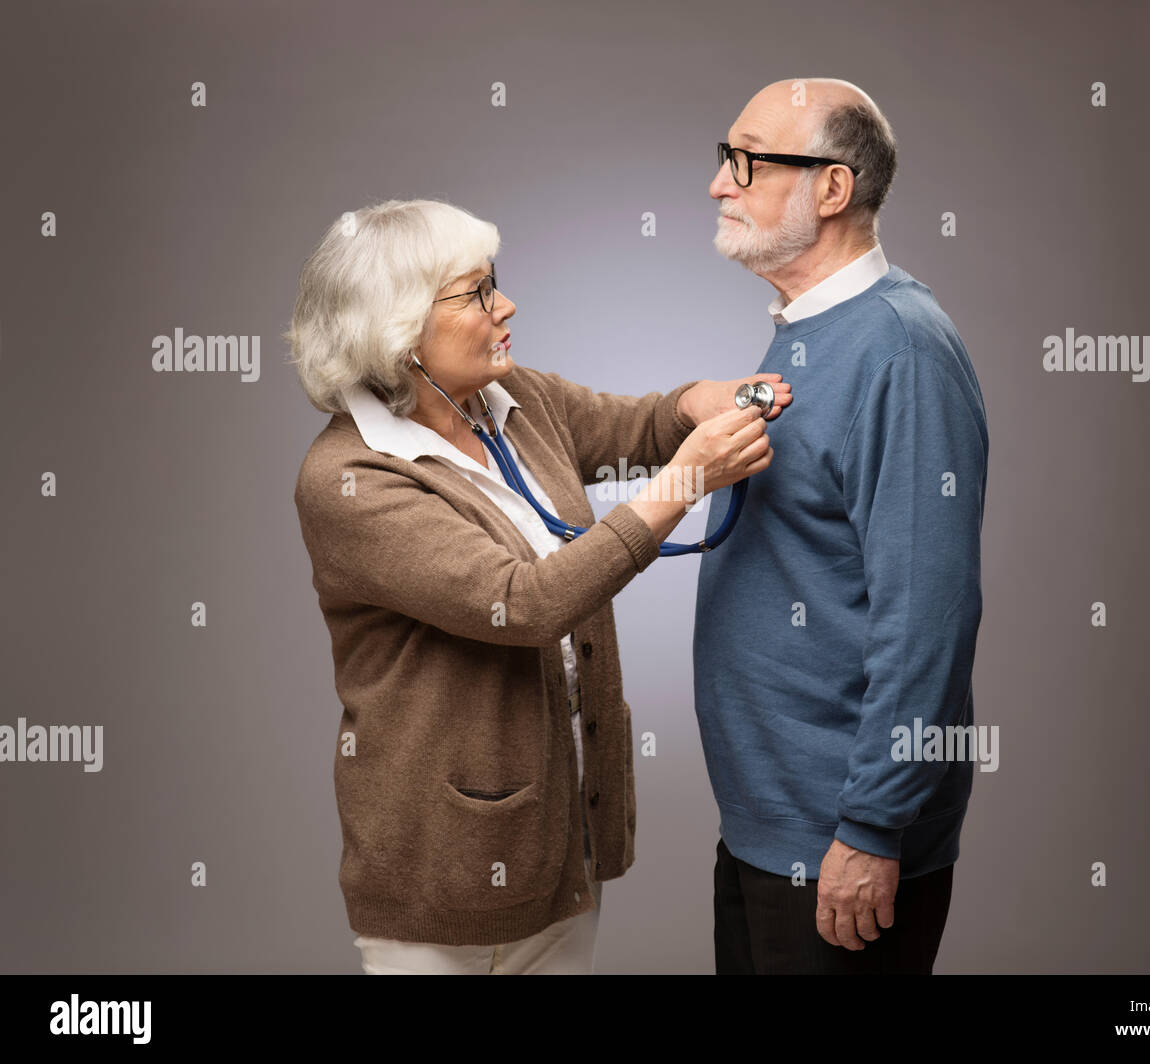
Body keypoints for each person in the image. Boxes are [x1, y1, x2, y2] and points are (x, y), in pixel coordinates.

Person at [287, 197, 790, 974]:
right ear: (397, 331)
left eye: (496, 282)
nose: (506, 304)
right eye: (476, 292)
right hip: (442, 875)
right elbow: (524, 603)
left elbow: (640, 428)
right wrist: (688, 479)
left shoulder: (509, 403)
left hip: (560, 843)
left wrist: (699, 402)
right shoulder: (349, 479)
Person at [694, 78, 989, 974]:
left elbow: (929, 617)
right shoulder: (809, 329)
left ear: (831, 189)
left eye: (747, 161)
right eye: (724, 158)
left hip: (839, 843)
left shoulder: (899, 347)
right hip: (770, 825)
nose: (719, 184)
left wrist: (870, 827)